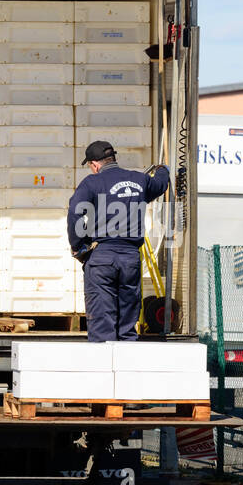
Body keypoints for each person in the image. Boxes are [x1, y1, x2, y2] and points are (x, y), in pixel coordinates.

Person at [67, 140, 170, 342]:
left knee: (102, 323)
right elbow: (159, 184)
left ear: (95, 164)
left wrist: (79, 246)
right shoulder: (139, 180)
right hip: (130, 258)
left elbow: (74, 213)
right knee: (127, 323)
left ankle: (102, 368)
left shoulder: (92, 183)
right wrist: (163, 169)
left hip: (101, 258)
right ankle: (126, 367)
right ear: (112, 158)